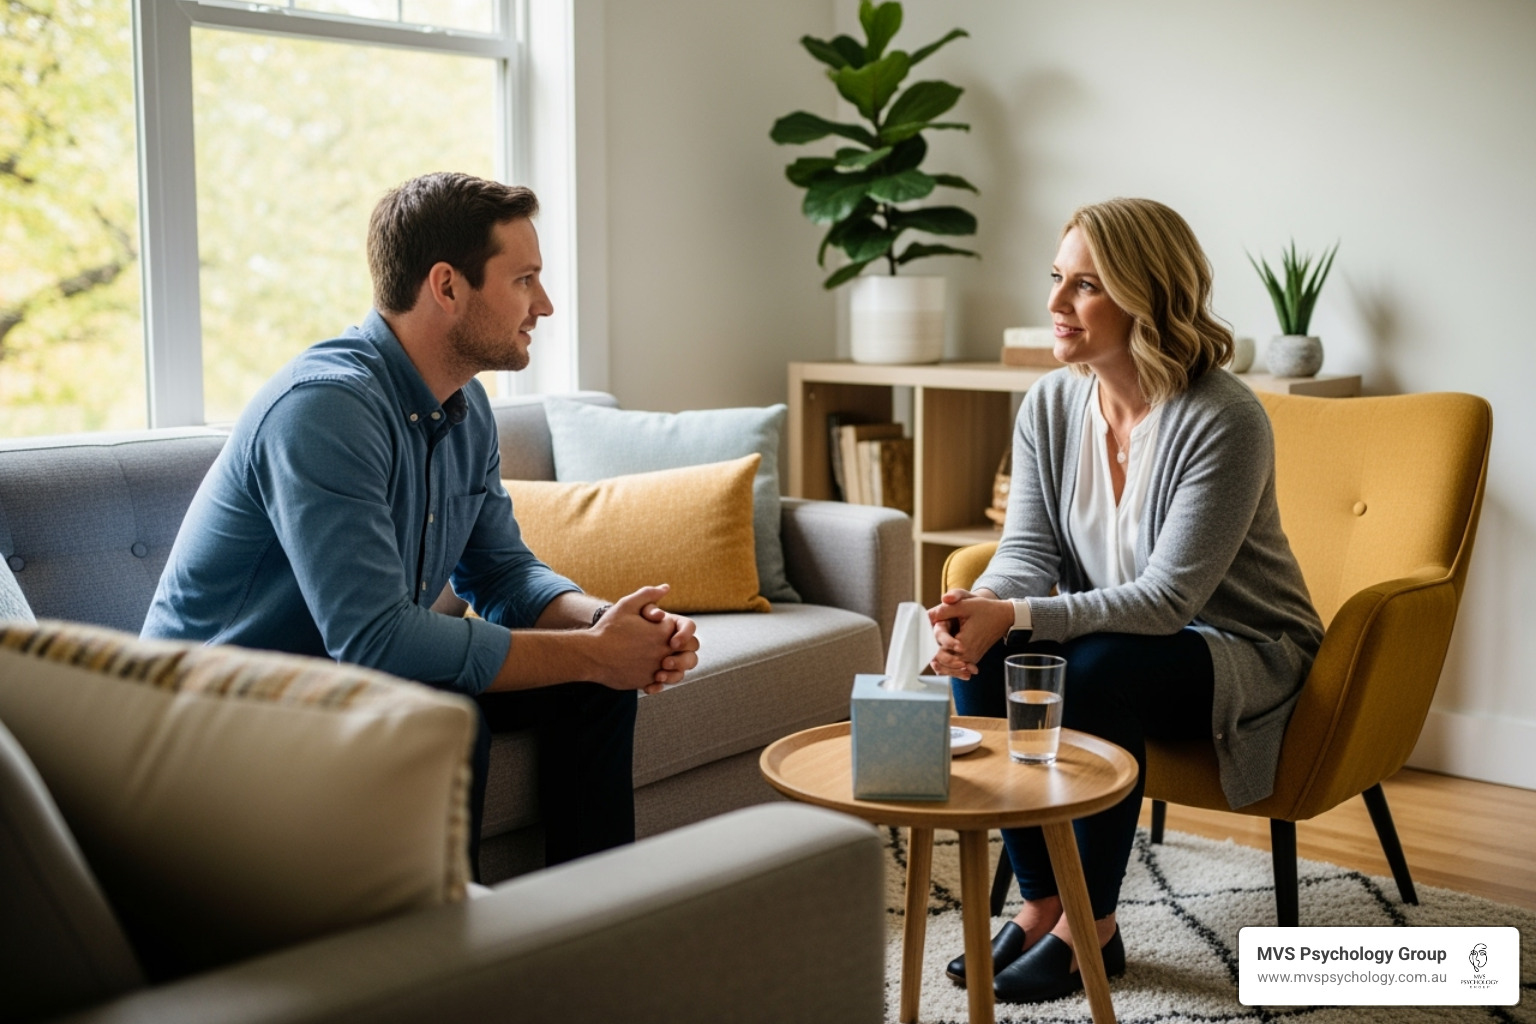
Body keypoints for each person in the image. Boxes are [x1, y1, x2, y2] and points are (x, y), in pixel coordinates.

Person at [142, 171, 699, 874]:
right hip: (217, 717)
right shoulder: (325, 410)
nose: (546, 305)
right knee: (441, 721)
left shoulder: (465, 409)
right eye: (524, 279)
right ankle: (447, 961)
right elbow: (376, 641)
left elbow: (500, 571)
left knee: (597, 689)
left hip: (337, 685)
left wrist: (606, 628)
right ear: (446, 286)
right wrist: (593, 650)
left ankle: (589, 924)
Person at [929, 197, 1323, 1004]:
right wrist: (986, 604)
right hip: (1129, 630)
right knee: (988, 652)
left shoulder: (1223, 416)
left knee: (1094, 667)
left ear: (1147, 296)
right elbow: (1029, 551)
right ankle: (1040, 901)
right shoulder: (1050, 403)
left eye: (1085, 286)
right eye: (1055, 279)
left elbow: (1169, 600)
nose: (1054, 304)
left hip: (1239, 648)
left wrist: (1023, 613)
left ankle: (1091, 926)